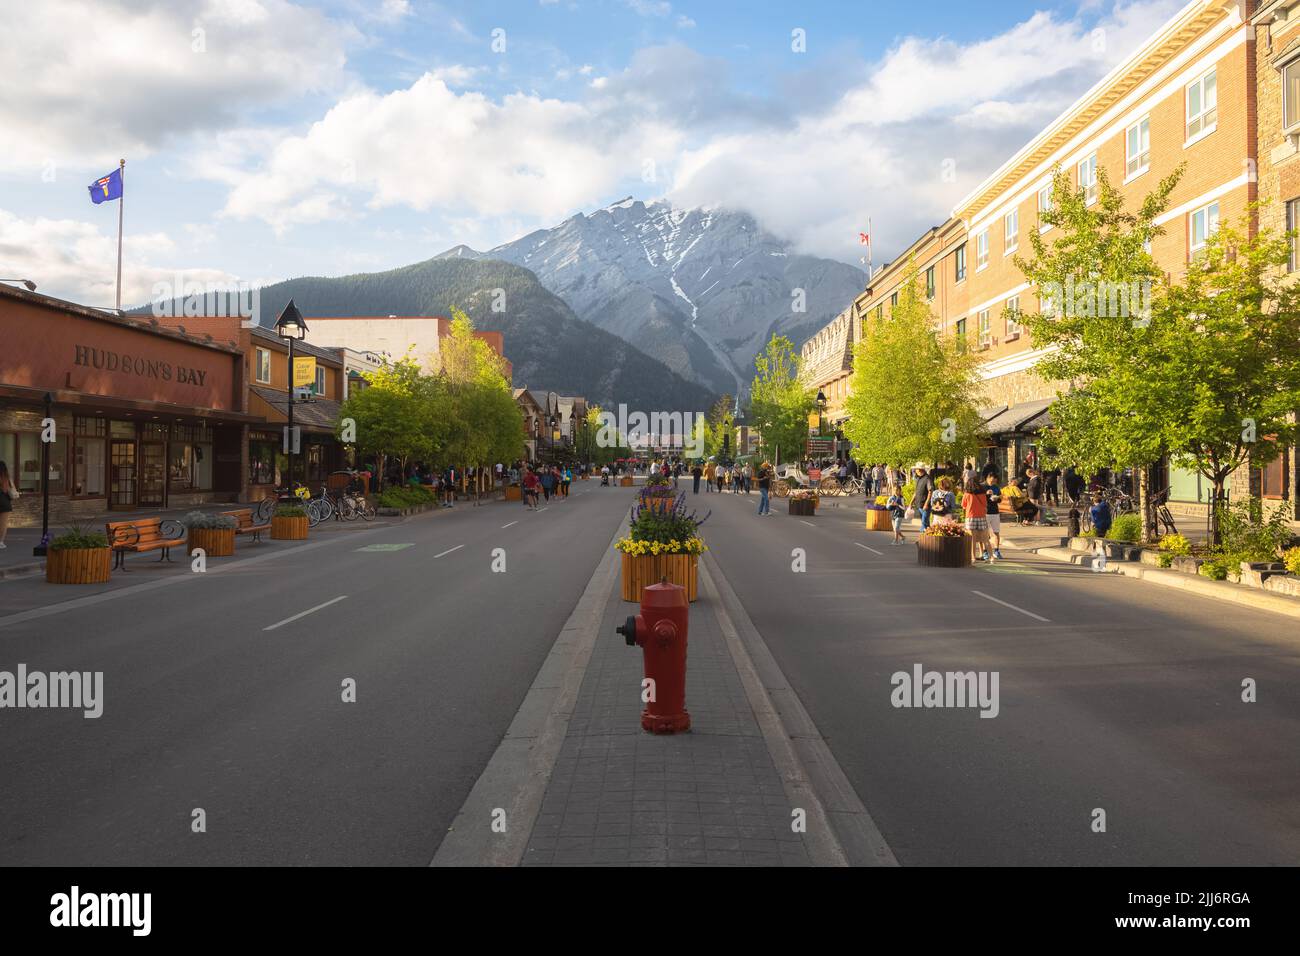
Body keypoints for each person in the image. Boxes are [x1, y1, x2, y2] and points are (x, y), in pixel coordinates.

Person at [962, 476, 992, 561]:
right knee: (985, 539)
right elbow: (985, 505)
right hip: (981, 516)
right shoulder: (983, 493)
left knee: (972, 539)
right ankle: (991, 557)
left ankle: (973, 557)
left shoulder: (967, 494)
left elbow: (964, 506)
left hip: (970, 517)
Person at [984, 472, 1005, 561]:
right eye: (992, 480)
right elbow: (979, 498)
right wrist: (986, 494)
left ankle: (997, 550)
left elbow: (1000, 499)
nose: (993, 482)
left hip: (995, 512)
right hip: (986, 512)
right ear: (988, 478)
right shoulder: (983, 487)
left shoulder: (996, 487)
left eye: (995, 480)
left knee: (996, 532)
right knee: (985, 533)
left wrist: (997, 498)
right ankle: (985, 551)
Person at [0, 461, 15, 549]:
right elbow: (7, 490)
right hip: (4, 502)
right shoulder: (6, 478)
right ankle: (0, 542)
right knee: (3, 523)